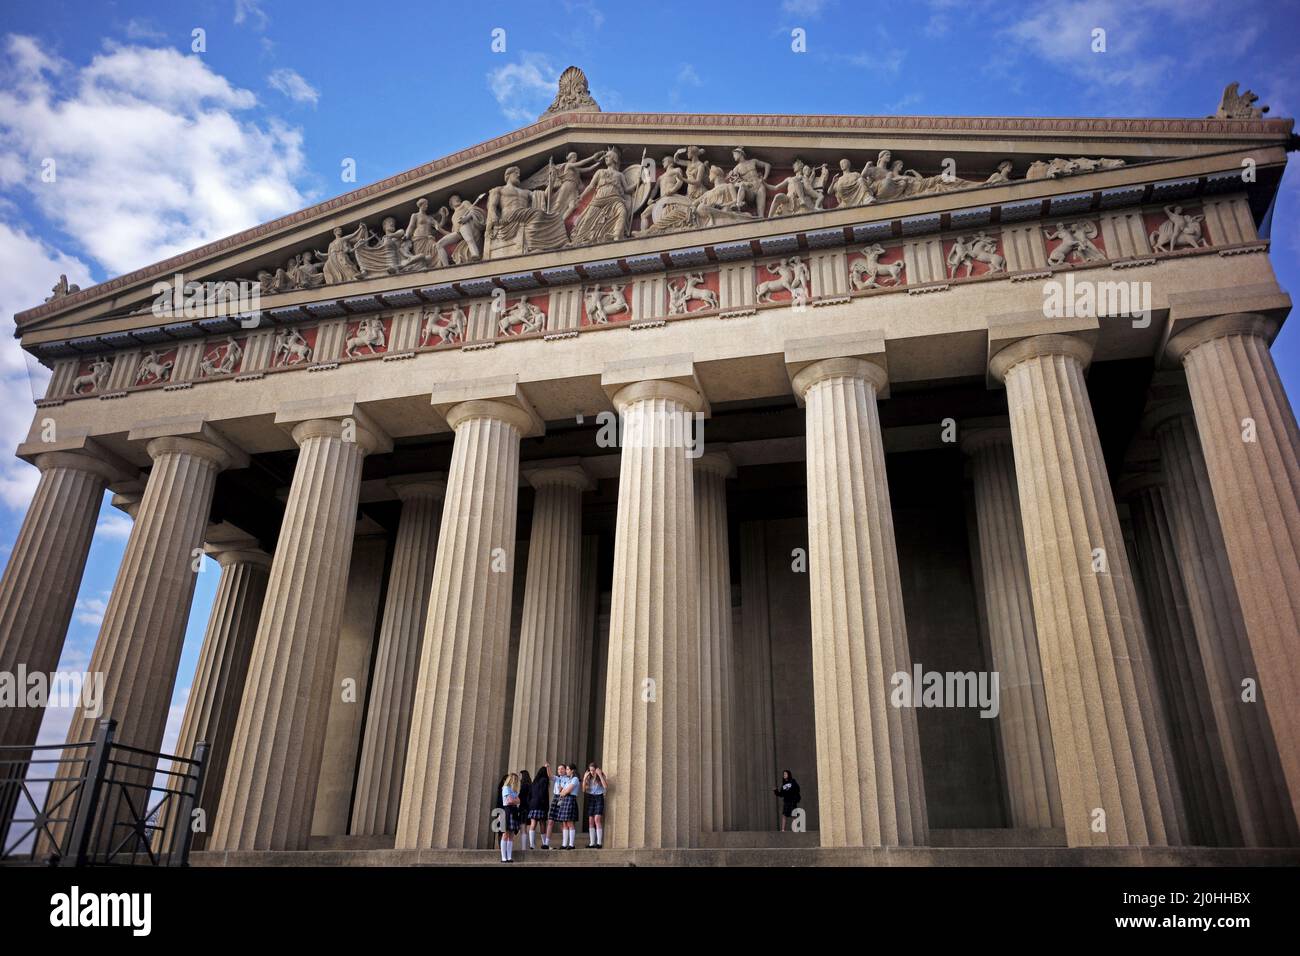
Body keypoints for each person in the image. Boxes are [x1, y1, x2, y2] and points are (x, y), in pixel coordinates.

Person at [549, 763, 580, 850]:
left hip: (570, 800)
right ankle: (564, 844)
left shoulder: (575, 779)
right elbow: (562, 792)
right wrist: (563, 791)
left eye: (567, 769)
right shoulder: (568, 780)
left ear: (572, 770)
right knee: (564, 823)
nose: (566, 771)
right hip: (565, 800)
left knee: (570, 822)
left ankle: (571, 844)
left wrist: (564, 791)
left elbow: (566, 791)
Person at [582, 762, 607, 849]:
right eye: (590, 770)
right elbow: (583, 790)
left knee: (597, 819)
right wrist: (585, 778)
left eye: (593, 770)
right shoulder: (589, 778)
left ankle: (599, 843)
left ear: (596, 770)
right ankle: (592, 843)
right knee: (591, 821)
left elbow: (605, 786)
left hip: (599, 797)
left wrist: (599, 775)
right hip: (591, 798)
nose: (592, 772)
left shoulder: (600, 777)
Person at [500, 772, 522, 862]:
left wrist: (515, 800)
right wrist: (515, 800)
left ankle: (509, 857)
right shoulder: (506, 788)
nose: (516, 781)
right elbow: (509, 801)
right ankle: (503, 857)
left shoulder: (514, 791)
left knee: (511, 835)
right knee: (505, 834)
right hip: (507, 811)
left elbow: (519, 801)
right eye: (515, 779)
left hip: (514, 811)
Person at [526, 765, 549, 850]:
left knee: (533, 824)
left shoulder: (534, 782)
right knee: (542, 823)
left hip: (533, 805)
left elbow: (529, 795)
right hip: (541, 804)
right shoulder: (544, 780)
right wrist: (546, 805)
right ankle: (544, 843)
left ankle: (532, 844)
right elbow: (544, 794)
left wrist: (530, 804)